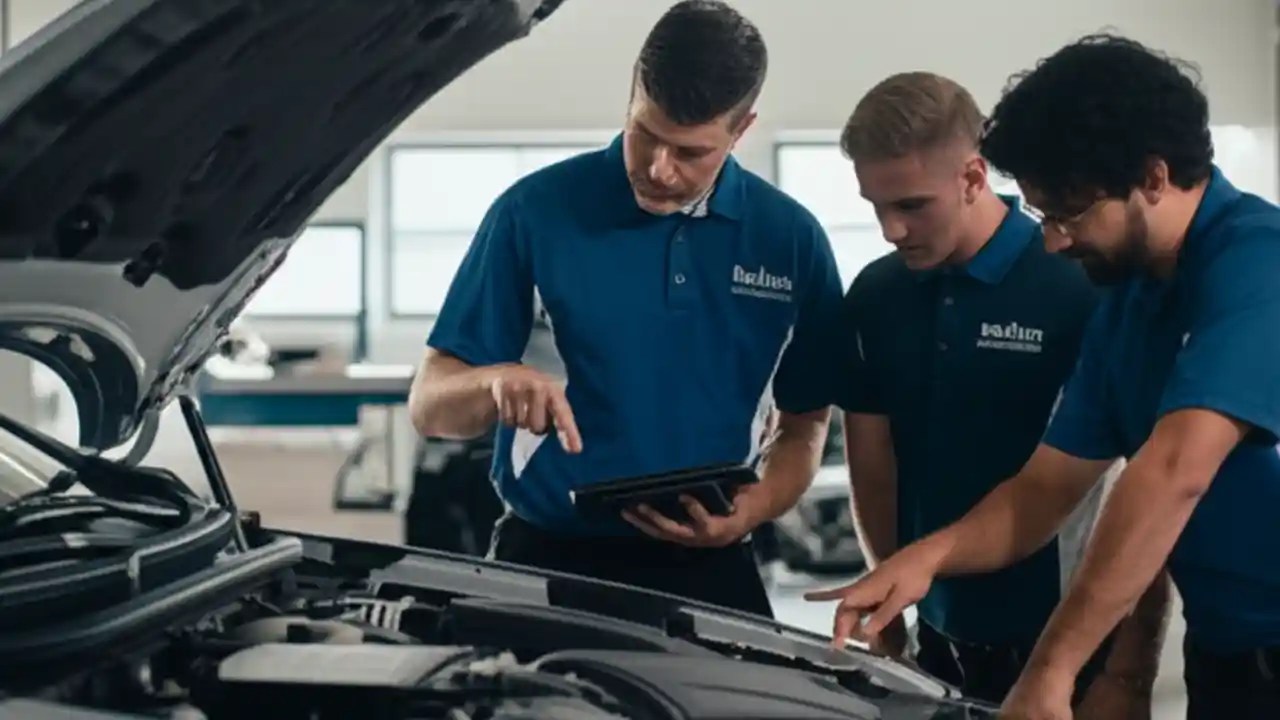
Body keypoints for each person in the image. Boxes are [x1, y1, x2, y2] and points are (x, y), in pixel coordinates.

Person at [807, 33, 1280, 720]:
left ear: (1152, 177)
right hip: (1227, 655)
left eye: (1068, 213)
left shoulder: (1258, 265)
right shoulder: (1129, 299)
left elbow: (1171, 473)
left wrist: (1057, 671)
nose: (1054, 240)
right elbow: (1044, 488)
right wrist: (922, 560)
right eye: (1041, 215)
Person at [407, 0, 843, 619]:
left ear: (742, 129)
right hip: (547, 560)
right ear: (632, 93)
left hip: (714, 566)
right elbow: (430, 406)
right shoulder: (533, 213)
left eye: (690, 152)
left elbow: (805, 426)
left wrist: (756, 507)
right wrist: (494, 382)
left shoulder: (791, 240)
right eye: (647, 134)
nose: (660, 170)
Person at [822, 70, 1169, 711]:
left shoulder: (1081, 281)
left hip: (1072, 634)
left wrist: (1130, 671)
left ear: (974, 177)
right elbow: (875, 470)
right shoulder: (876, 294)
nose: (890, 230)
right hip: (940, 630)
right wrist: (887, 600)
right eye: (875, 205)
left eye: (912, 205)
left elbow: (1151, 485)